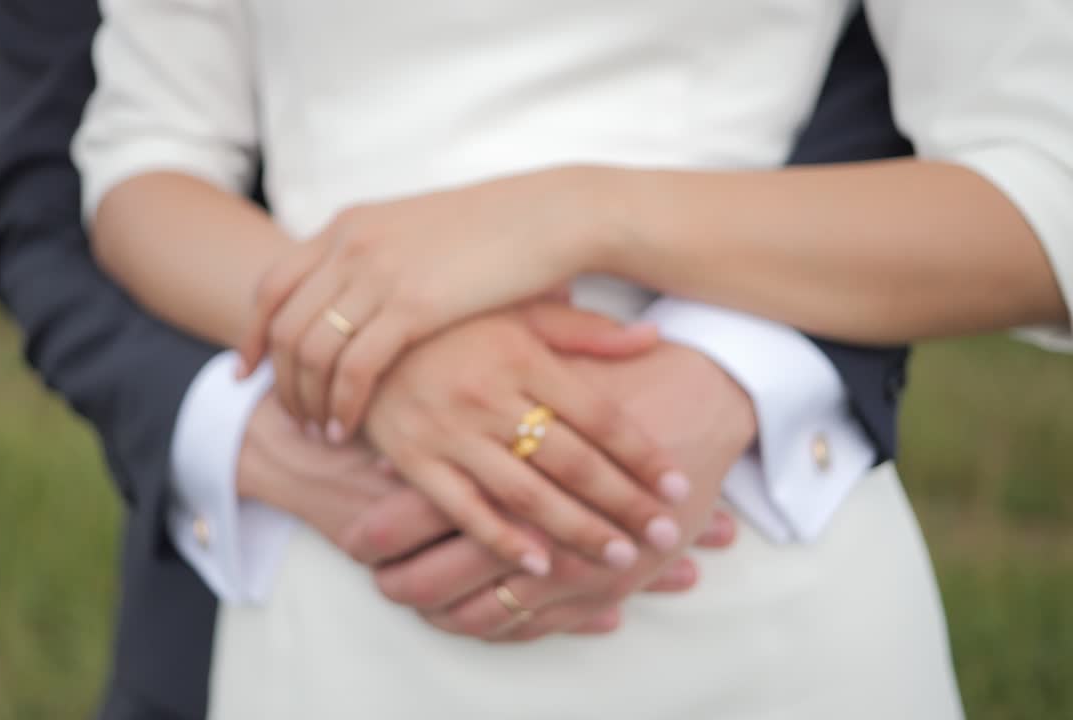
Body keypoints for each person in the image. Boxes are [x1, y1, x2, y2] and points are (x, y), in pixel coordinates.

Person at [57, 0, 1021, 717]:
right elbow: (148, 157)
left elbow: (1039, 184)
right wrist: (376, 345)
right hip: (361, 556)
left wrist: (578, 216)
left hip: (750, 568)